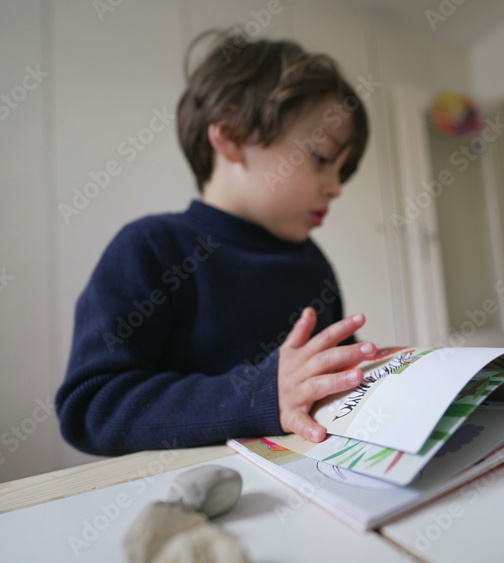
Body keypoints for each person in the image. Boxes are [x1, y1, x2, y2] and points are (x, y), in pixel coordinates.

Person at [56, 30, 376, 456]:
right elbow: (93, 405)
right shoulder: (150, 247)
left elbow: (333, 373)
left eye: (343, 171)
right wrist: (261, 395)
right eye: (321, 158)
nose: (335, 187)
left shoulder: (311, 261)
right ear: (230, 135)